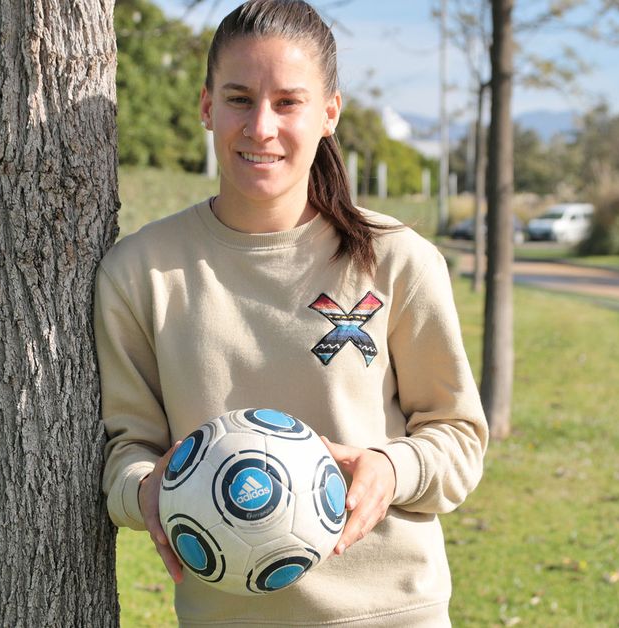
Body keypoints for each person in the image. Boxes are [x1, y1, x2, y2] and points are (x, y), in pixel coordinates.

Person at [94, 0, 488, 624]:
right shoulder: (139, 272)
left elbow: (458, 438)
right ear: (206, 107)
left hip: (391, 612)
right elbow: (127, 447)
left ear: (330, 112)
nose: (261, 127)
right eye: (239, 98)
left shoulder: (397, 261)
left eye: (288, 102)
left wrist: (390, 466)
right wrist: (145, 490)